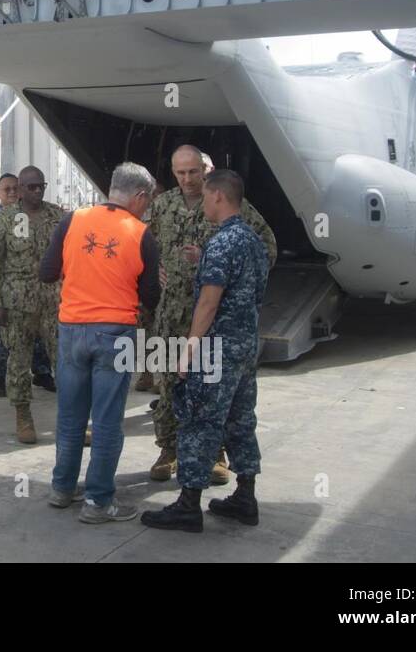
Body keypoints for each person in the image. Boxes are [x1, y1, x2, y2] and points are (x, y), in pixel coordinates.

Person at [141, 170, 270, 533]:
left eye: (208, 198)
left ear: (217, 197)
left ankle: (188, 504)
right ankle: (246, 497)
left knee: (200, 421)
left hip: (217, 348)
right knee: (241, 420)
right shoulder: (251, 240)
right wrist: (204, 261)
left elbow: (209, 304)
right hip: (245, 346)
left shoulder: (222, 242)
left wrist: (189, 350)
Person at [40, 162, 161, 522]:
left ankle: (62, 488)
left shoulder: (72, 220)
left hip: (71, 330)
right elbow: (151, 297)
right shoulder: (142, 234)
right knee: (107, 421)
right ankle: (97, 502)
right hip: (116, 334)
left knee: (70, 415)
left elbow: (47, 272)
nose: (147, 207)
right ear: (139, 196)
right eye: (148, 200)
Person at [0, 166, 64, 443]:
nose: (37, 191)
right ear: (21, 188)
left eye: (41, 186)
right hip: (18, 304)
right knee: (18, 362)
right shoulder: (5, 219)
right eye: (31, 187)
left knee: (65, 362)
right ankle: (23, 416)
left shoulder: (58, 216)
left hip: (54, 302)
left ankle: (71, 419)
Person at [0, 173, 55, 397]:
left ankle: (42, 372)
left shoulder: (48, 215)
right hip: (4, 291)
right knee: (0, 340)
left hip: (39, 296)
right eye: (6, 189)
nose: (11, 193)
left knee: (40, 341)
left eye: (14, 189)